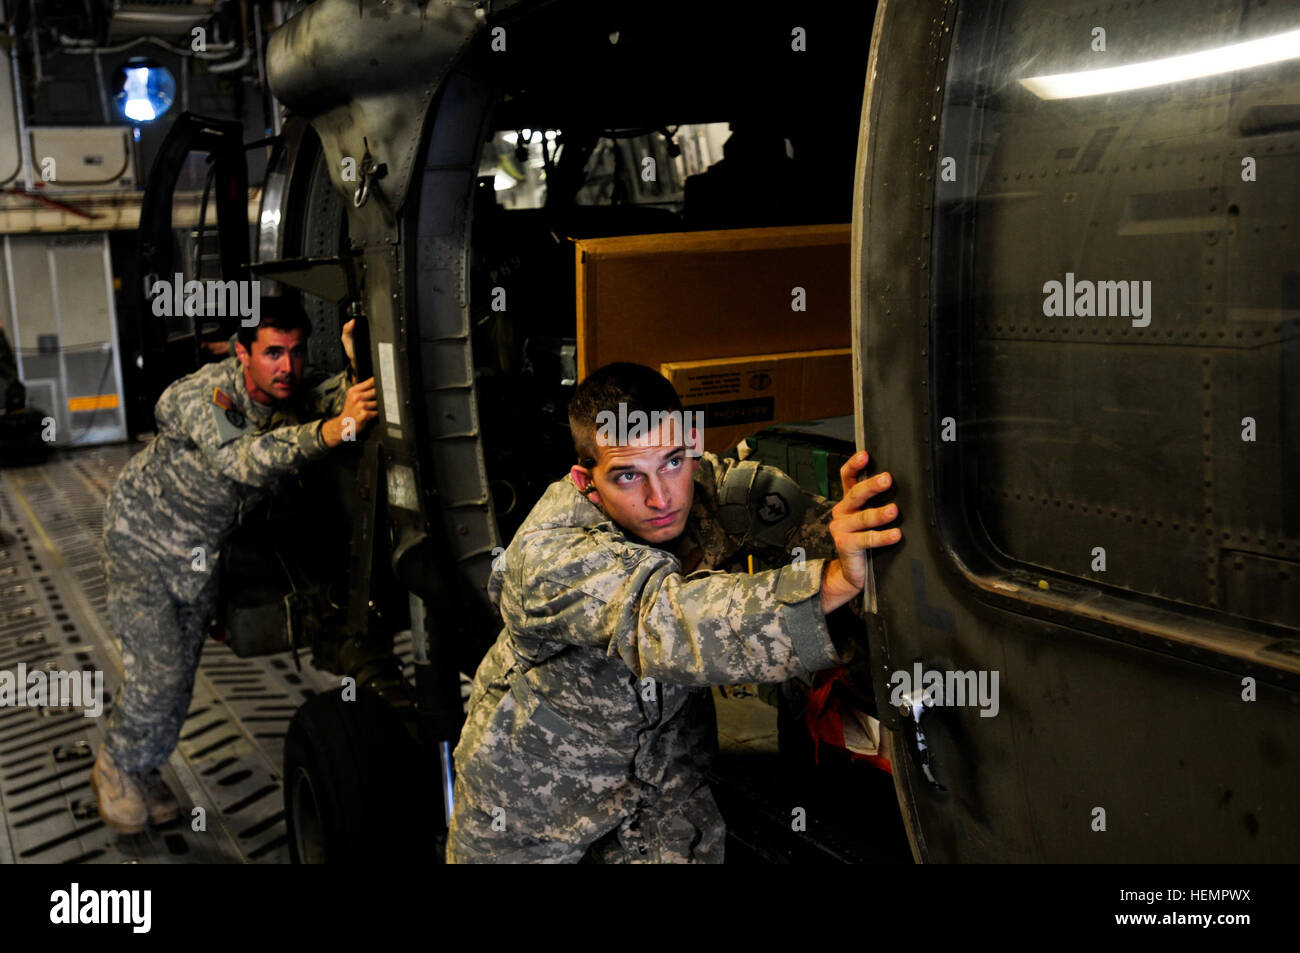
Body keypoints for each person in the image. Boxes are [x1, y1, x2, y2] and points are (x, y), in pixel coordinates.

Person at [447, 362, 902, 862]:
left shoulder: (708, 488)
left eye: (672, 461)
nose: (660, 497)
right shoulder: (550, 558)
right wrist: (832, 580)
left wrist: (844, 524)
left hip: (662, 784)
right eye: (627, 476)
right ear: (586, 480)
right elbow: (666, 621)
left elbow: (809, 530)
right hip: (535, 802)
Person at [93, 299, 379, 833]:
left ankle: (143, 767)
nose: (287, 367)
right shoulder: (212, 396)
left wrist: (357, 369)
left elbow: (332, 398)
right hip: (143, 544)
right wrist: (331, 431)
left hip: (199, 555)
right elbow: (242, 460)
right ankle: (117, 763)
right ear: (242, 352)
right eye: (272, 353)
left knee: (178, 677)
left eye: (295, 352)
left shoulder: (285, 390)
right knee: (158, 672)